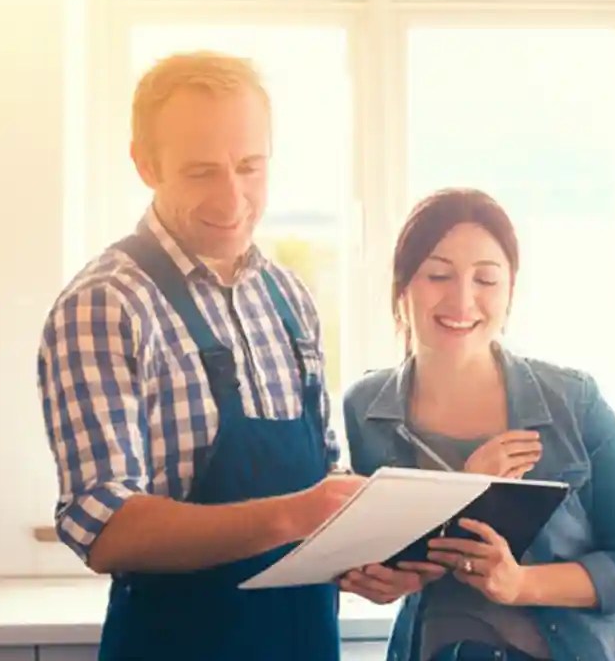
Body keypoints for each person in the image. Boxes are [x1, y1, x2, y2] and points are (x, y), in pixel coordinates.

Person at [36, 51, 369, 661]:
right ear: (144, 163)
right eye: (201, 172)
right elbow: (105, 527)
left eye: (250, 166)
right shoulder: (106, 305)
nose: (233, 197)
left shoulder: (289, 299)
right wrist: (294, 515)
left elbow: (324, 476)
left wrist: (364, 557)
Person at [341, 188, 615, 661]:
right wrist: (385, 577)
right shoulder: (365, 410)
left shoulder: (573, 400)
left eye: (486, 280)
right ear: (403, 289)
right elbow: (386, 555)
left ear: (510, 292)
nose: (462, 300)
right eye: (438, 275)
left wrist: (521, 584)